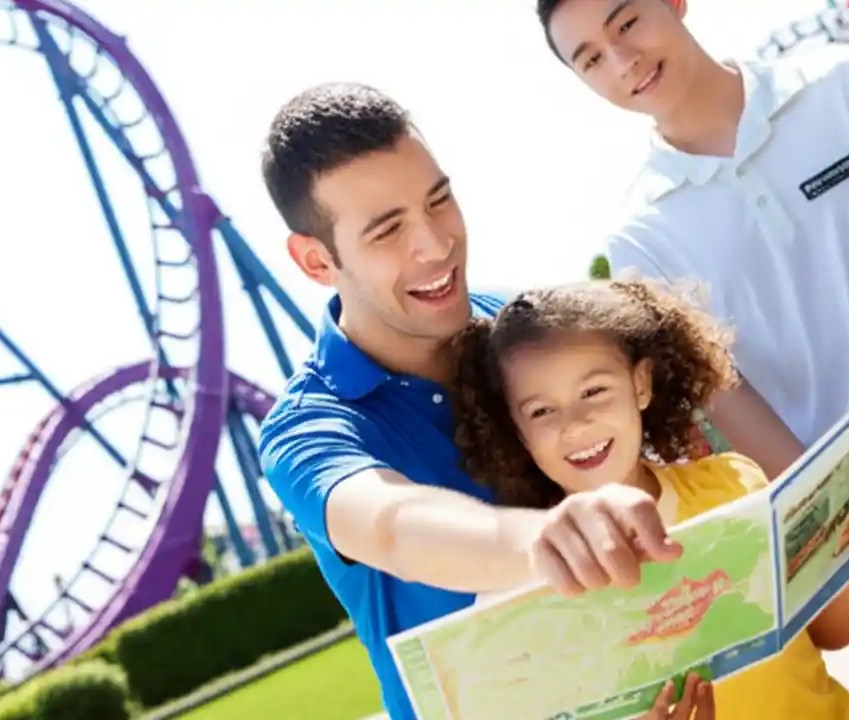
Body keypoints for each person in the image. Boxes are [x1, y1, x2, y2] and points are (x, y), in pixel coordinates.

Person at [256, 83, 686, 719]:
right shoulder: (306, 430)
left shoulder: (523, 325)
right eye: (388, 231)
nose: (436, 245)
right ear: (317, 261)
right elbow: (390, 525)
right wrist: (547, 541)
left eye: (439, 199)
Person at [536, 0, 849, 649]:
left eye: (627, 23)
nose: (623, 62)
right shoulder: (641, 245)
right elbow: (741, 414)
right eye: (591, 57)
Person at [452, 278, 849, 719]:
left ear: (641, 384)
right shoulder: (526, 586)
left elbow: (830, 632)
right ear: (517, 429)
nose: (576, 424)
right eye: (541, 411)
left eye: (593, 391)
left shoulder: (735, 484)